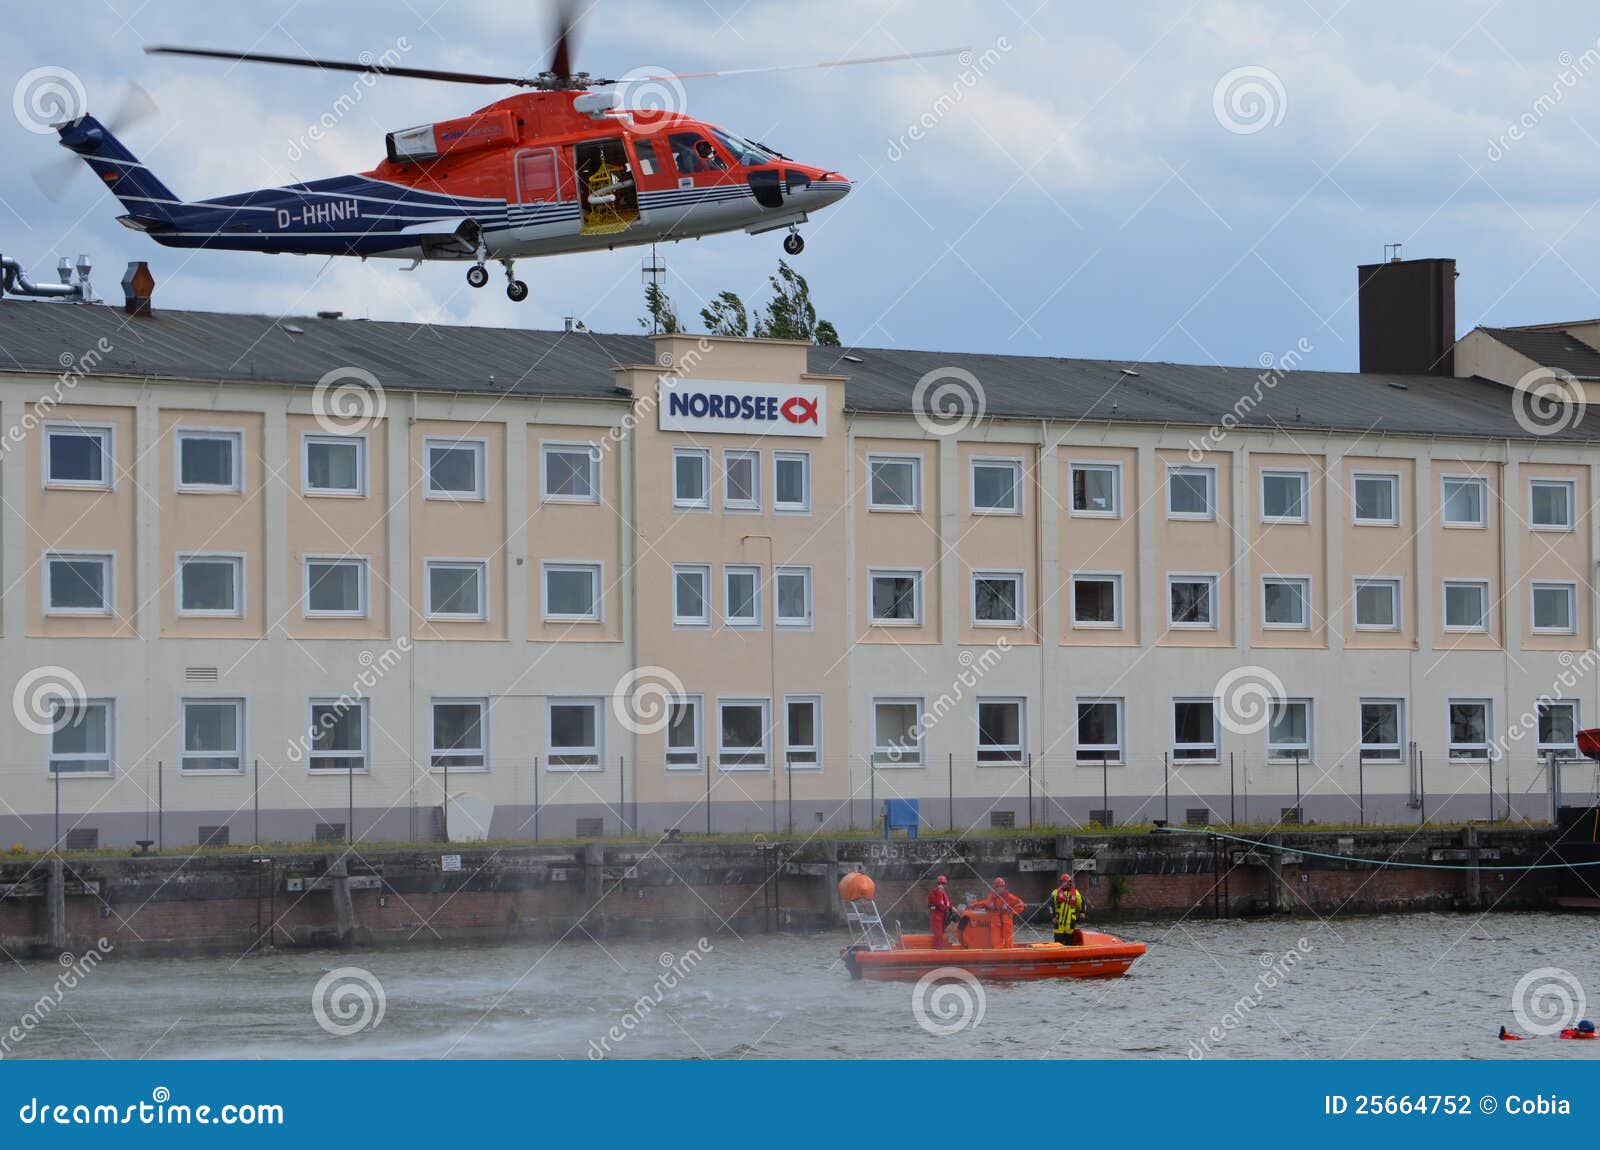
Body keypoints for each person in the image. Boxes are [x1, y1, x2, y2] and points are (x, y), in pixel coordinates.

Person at [975, 877, 1026, 947]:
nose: (999, 888)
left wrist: (1011, 912)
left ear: (1004, 887)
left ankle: (1010, 955)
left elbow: (1021, 904)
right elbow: (984, 903)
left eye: (1001, 886)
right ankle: (998, 955)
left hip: (1007, 923)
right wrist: (973, 904)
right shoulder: (991, 897)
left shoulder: (1009, 896)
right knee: (996, 942)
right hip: (995, 923)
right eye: (998, 886)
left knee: (1008, 942)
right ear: (995, 887)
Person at [1045, 872, 1085, 944]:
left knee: (1069, 940)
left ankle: (1069, 953)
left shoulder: (1075, 893)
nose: (1064, 883)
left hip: (1070, 923)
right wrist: (1053, 916)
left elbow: (1082, 903)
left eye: (1065, 881)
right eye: (1062, 881)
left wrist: (1082, 912)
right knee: (1058, 941)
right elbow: (1050, 905)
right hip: (1058, 922)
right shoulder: (1056, 892)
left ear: (1069, 882)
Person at [927, 875, 953, 949]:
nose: (941, 885)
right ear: (937, 884)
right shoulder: (934, 893)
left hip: (943, 916)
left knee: (941, 934)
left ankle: (941, 948)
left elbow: (947, 903)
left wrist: (952, 908)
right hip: (936, 916)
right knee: (938, 935)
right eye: (940, 883)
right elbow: (939, 904)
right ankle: (937, 950)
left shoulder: (944, 893)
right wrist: (940, 893)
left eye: (943, 883)